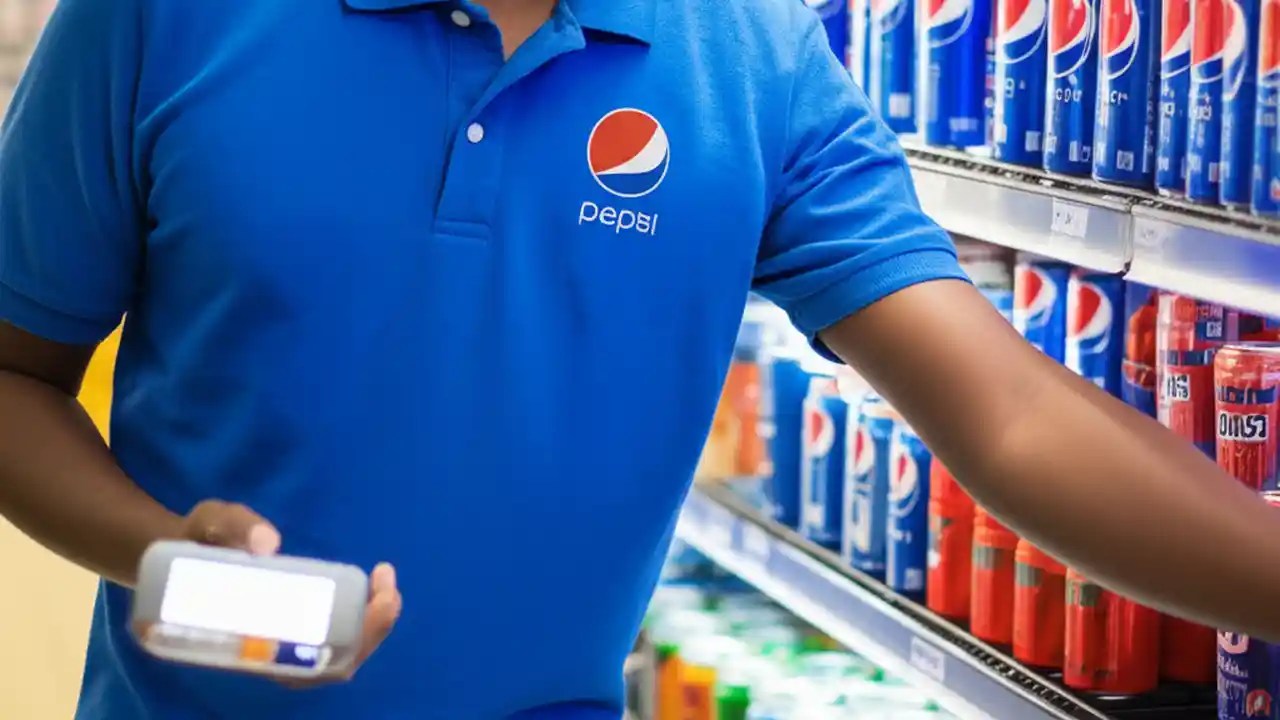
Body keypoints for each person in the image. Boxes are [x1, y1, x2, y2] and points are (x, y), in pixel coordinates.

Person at [1, 0, 1277, 718]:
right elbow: (13, 377)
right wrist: (155, 551)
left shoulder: (753, 59)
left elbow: (1003, 412)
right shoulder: (158, 18)